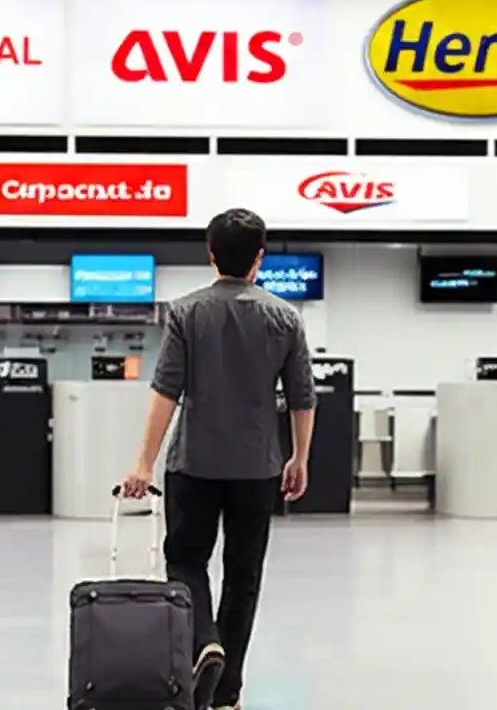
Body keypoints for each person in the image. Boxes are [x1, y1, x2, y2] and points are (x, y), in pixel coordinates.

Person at [121, 208, 317, 710]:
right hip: (258, 468)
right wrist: (300, 459)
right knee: (243, 575)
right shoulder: (286, 317)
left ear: (211, 255)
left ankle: (203, 641)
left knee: (185, 560)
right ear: (259, 258)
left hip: (194, 465)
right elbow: (302, 397)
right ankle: (227, 692)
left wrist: (143, 463)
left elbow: (166, 390)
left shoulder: (186, 312)